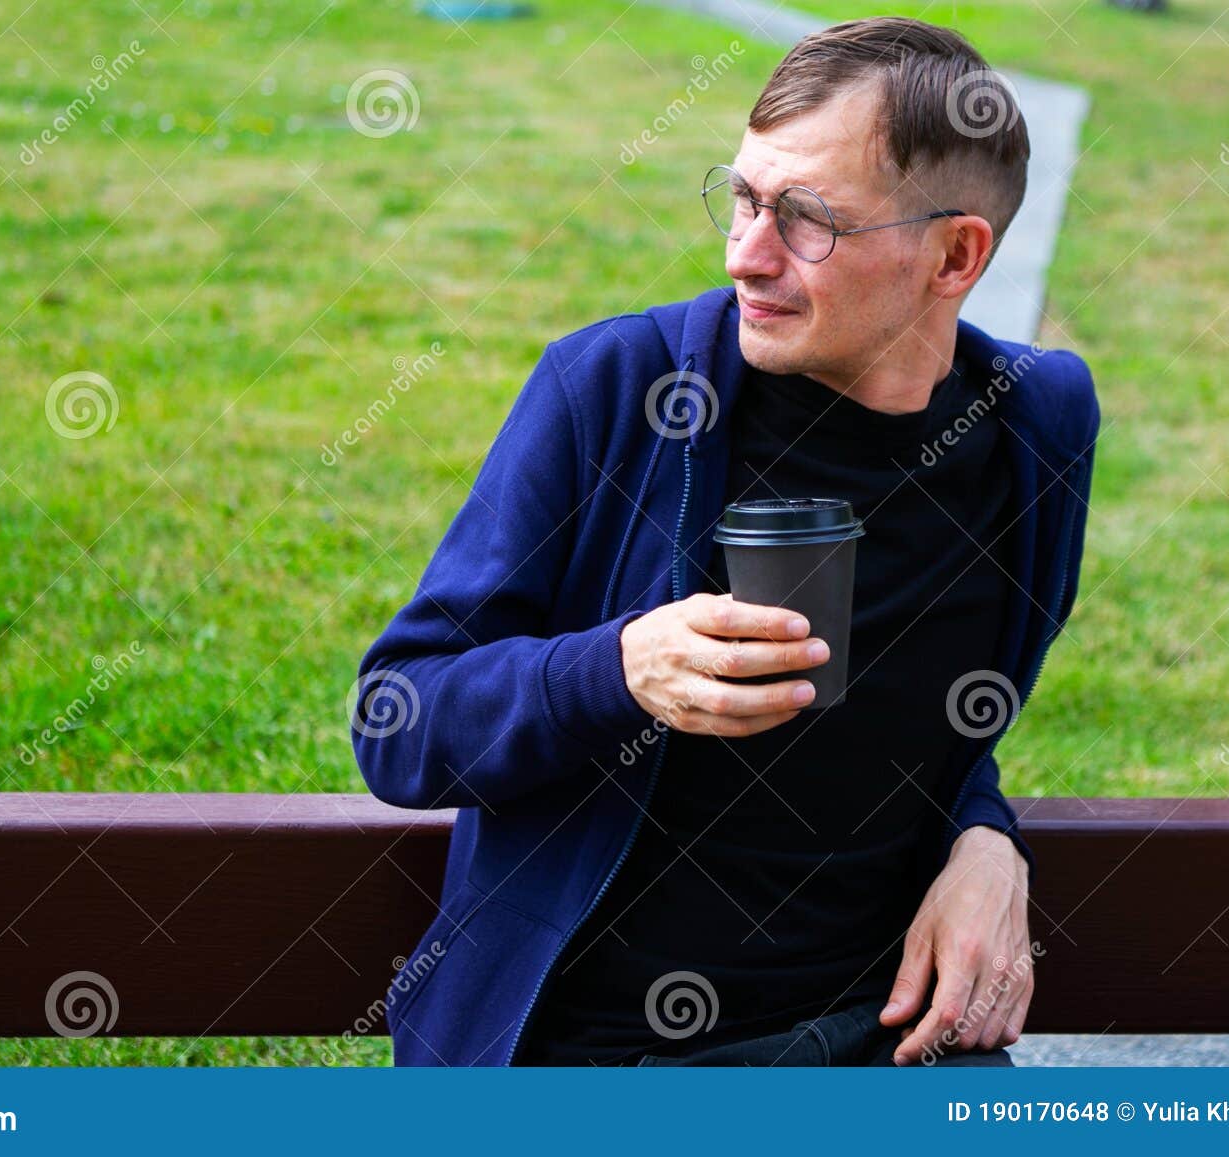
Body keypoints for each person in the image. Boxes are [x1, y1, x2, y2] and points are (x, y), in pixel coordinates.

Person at [351, 15, 1098, 1068]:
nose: (745, 254)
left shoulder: (1031, 432)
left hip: (884, 1048)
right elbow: (399, 721)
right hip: (600, 1061)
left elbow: (931, 722)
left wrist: (984, 833)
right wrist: (615, 667)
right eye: (742, 197)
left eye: (806, 220)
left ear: (955, 255)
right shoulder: (614, 392)